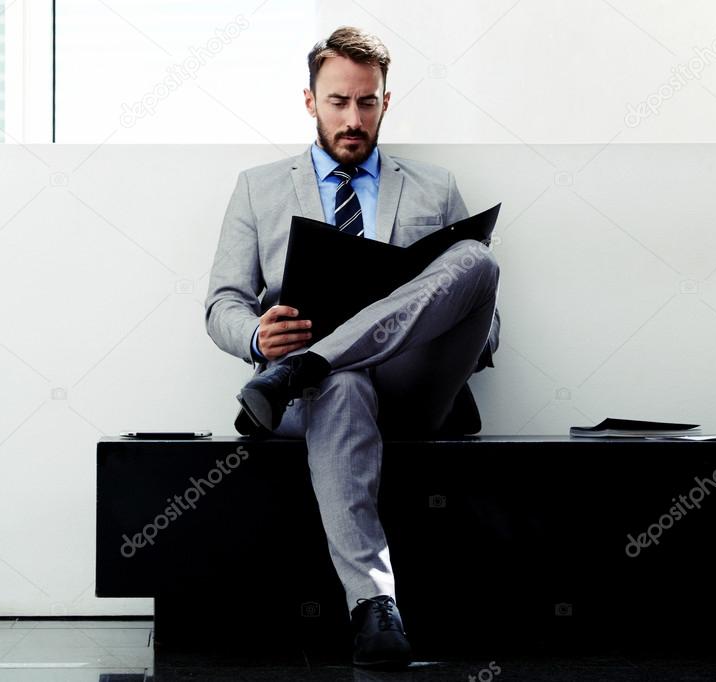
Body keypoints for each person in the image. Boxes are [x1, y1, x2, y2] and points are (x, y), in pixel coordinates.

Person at [204, 26, 500, 668]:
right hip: (316, 394)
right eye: (338, 102)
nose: (353, 119)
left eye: (367, 102)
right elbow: (222, 302)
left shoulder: (436, 186)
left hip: (411, 383)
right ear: (310, 101)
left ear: (385, 101)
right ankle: (374, 607)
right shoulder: (258, 188)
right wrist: (257, 335)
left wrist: (423, 319)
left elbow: (486, 319)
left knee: (478, 260)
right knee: (337, 383)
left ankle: (310, 364)